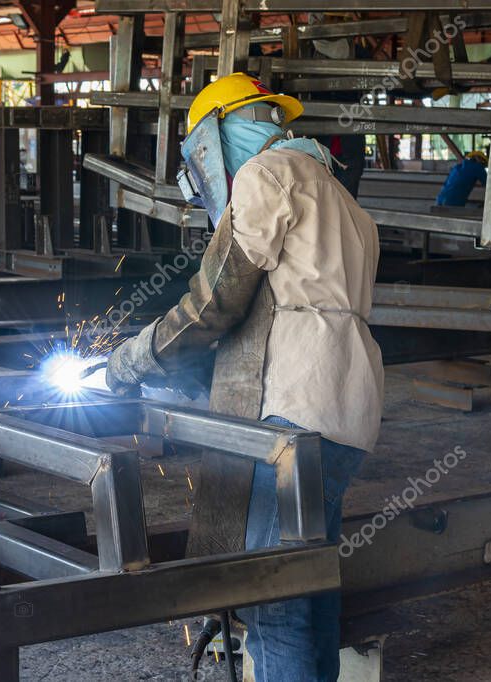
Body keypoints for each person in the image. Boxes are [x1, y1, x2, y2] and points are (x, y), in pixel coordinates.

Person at [105, 73, 384, 682]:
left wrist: (139, 356)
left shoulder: (267, 175)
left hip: (294, 407)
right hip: (350, 407)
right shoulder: (340, 195)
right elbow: (283, 303)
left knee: (272, 597)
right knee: (310, 586)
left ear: (215, 136)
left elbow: (218, 299)